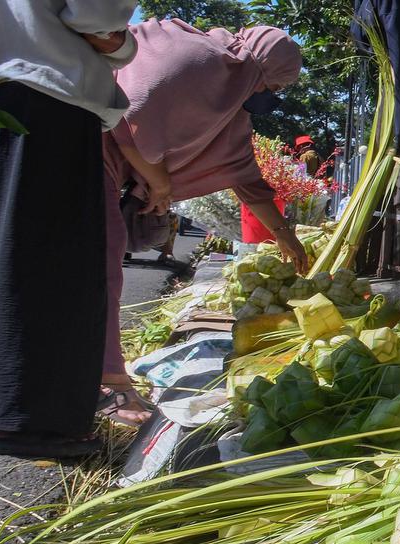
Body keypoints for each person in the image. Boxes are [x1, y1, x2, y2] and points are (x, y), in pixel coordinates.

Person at [100, 18, 309, 425]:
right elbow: (127, 113)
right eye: (274, 85)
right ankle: (110, 385)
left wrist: (286, 237)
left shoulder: (228, 109)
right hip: (82, 150)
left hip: (107, 172)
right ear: (262, 65)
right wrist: (158, 181)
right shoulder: (202, 59)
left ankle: (83, 376)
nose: (268, 95)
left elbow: (247, 178)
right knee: (100, 274)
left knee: (93, 273)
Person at [0, 0, 138, 456]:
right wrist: (120, 44)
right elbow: (94, 14)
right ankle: (21, 419)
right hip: (38, 82)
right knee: (42, 252)